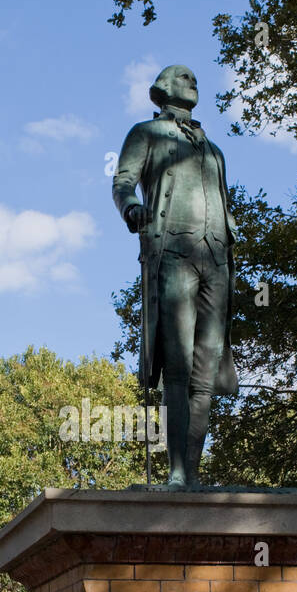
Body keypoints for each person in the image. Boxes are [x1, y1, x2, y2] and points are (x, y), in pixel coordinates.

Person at [113, 64, 238, 488]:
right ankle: (177, 472)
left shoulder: (214, 149)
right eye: (183, 76)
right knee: (179, 370)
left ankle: (194, 473)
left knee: (206, 374)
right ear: (161, 89)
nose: (193, 81)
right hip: (173, 256)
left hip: (216, 262)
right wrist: (132, 207)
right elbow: (123, 181)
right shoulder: (146, 134)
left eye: (195, 78)